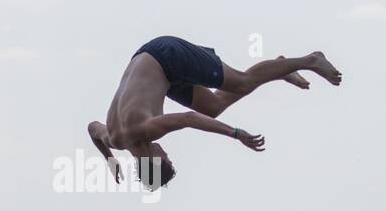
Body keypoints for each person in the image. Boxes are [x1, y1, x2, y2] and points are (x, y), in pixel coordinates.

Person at [88, 36, 343, 190]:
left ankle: (310, 60)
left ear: (156, 160)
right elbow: (92, 128)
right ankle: (278, 69)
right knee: (213, 106)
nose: (166, 152)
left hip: (167, 55)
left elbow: (189, 119)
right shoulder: (114, 138)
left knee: (241, 82)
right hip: (154, 64)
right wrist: (109, 160)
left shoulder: (145, 130)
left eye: (167, 158)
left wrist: (236, 134)